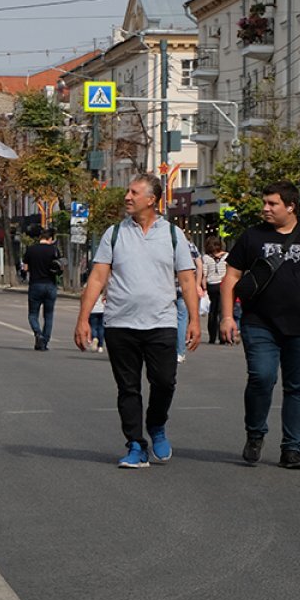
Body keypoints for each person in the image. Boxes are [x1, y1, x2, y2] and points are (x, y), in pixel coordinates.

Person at [74, 174, 199, 469]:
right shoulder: (114, 234)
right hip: (120, 324)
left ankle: (156, 425)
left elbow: (186, 278)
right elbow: (97, 278)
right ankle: (135, 444)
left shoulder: (173, 235)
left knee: (165, 382)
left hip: (161, 323)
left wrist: (194, 319)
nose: (127, 196)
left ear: (151, 200)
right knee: (128, 388)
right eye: (127, 191)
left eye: (133, 192)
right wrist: (83, 319)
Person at [220, 181, 300, 470]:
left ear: (290, 206)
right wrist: (227, 316)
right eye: (264, 202)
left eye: (272, 203)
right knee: (261, 378)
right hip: (259, 323)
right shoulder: (252, 237)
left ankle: (292, 448)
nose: (265, 208)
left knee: (297, 388)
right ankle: (255, 433)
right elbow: (231, 277)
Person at [23, 226, 61, 351]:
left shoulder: (31, 250)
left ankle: (38, 333)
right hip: (50, 285)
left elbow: (25, 268)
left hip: (35, 285)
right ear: (50, 238)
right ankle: (44, 342)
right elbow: (59, 267)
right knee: (48, 315)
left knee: (33, 314)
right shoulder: (54, 250)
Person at [175, 231, 202, 363]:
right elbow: (199, 264)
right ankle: (180, 352)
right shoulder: (190, 246)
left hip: (167, 287)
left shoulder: (167, 243)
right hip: (184, 287)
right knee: (182, 319)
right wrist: (197, 283)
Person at [202, 236, 229, 345]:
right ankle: (223, 337)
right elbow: (229, 272)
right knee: (222, 311)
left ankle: (212, 337)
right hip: (223, 285)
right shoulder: (227, 256)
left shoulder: (206, 258)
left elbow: (204, 274)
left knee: (212, 312)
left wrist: (203, 288)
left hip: (211, 285)